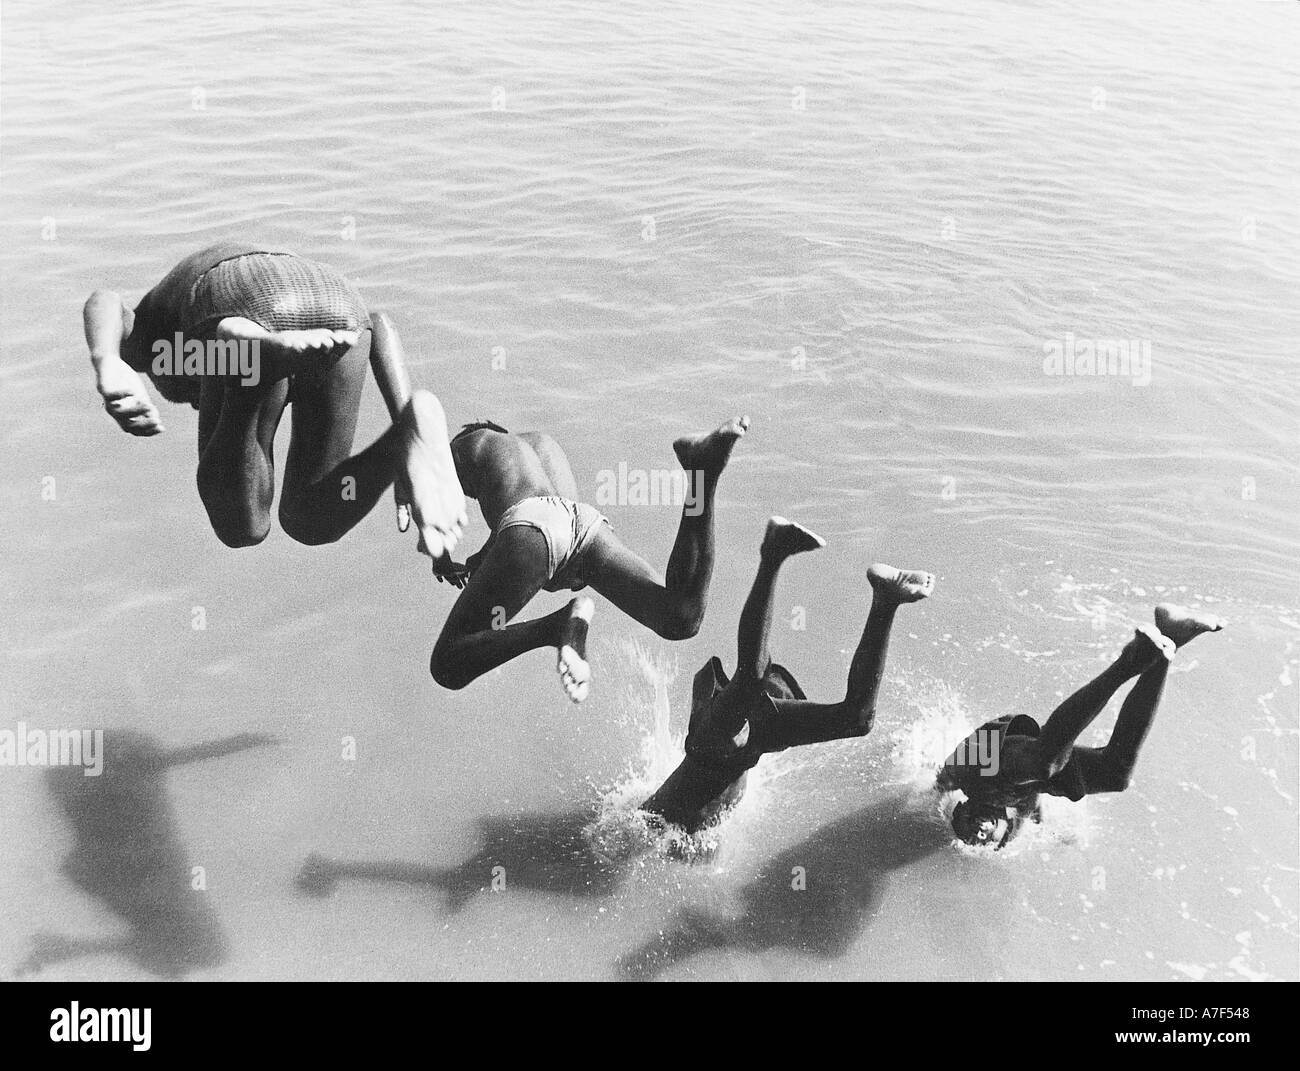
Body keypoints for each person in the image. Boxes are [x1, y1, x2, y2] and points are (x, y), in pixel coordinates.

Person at [82, 242, 467, 563]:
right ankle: (404, 433)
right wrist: (402, 423)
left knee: (242, 526)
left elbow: (105, 300)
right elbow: (376, 321)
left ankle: (253, 361)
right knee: (309, 519)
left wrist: (107, 361)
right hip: (341, 301)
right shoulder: (188, 339)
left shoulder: (156, 342)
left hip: (234, 298)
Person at [640, 516, 935, 832]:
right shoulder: (753, 738)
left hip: (712, 743)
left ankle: (774, 554)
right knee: (856, 720)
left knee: (758, 684)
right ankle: (885, 601)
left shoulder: (712, 743)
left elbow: (750, 679)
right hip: (735, 740)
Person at [428, 416, 750, 702]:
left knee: (448, 664)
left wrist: (441, 559)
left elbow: (428, 484)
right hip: (582, 524)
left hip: (537, 531)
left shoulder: (471, 442)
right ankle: (701, 476)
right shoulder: (540, 444)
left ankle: (554, 627)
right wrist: (486, 558)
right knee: (680, 616)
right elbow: (544, 516)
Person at [937, 605, 1225, 849]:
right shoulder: (1023, 817)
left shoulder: (958, 789)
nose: (978, 833)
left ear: (959, 811)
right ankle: (1168, 643)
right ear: (1005, 832)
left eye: (966, 829)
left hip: (984, 753)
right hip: (1023, 765)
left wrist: (943, 771)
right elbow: (1054, 824)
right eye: (985, 840)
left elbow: (940, 781)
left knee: (1038, 768)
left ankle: (1130, 660)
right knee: (1115, 776)